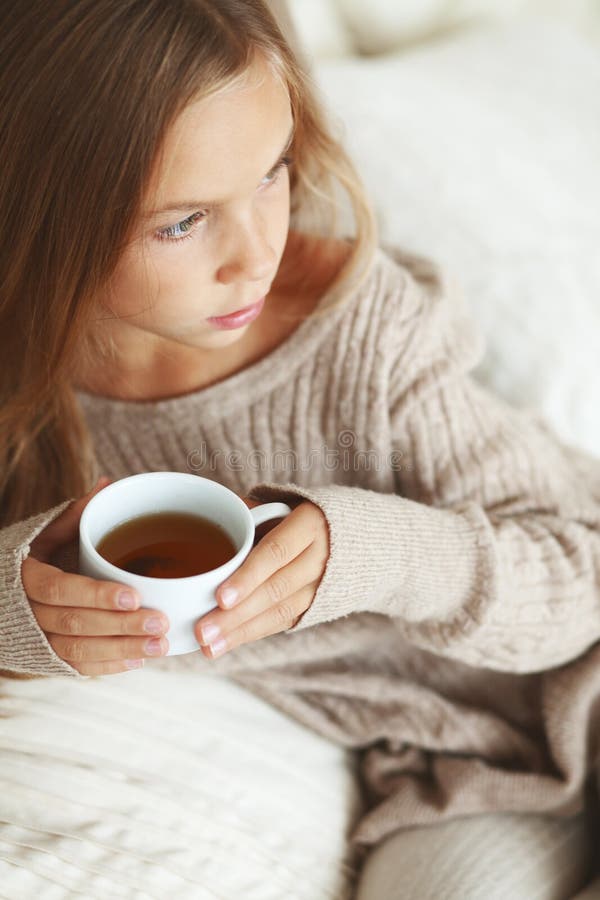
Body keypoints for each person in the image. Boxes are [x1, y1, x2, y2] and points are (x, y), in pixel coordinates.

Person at [1, 1, 600, 896]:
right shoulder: (26, 376)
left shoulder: (363, 334)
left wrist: (371, 554)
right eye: (181, 222)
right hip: (452, 776)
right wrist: (21, 606)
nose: (256, 253)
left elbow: (579, 569)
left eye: (273, 173)